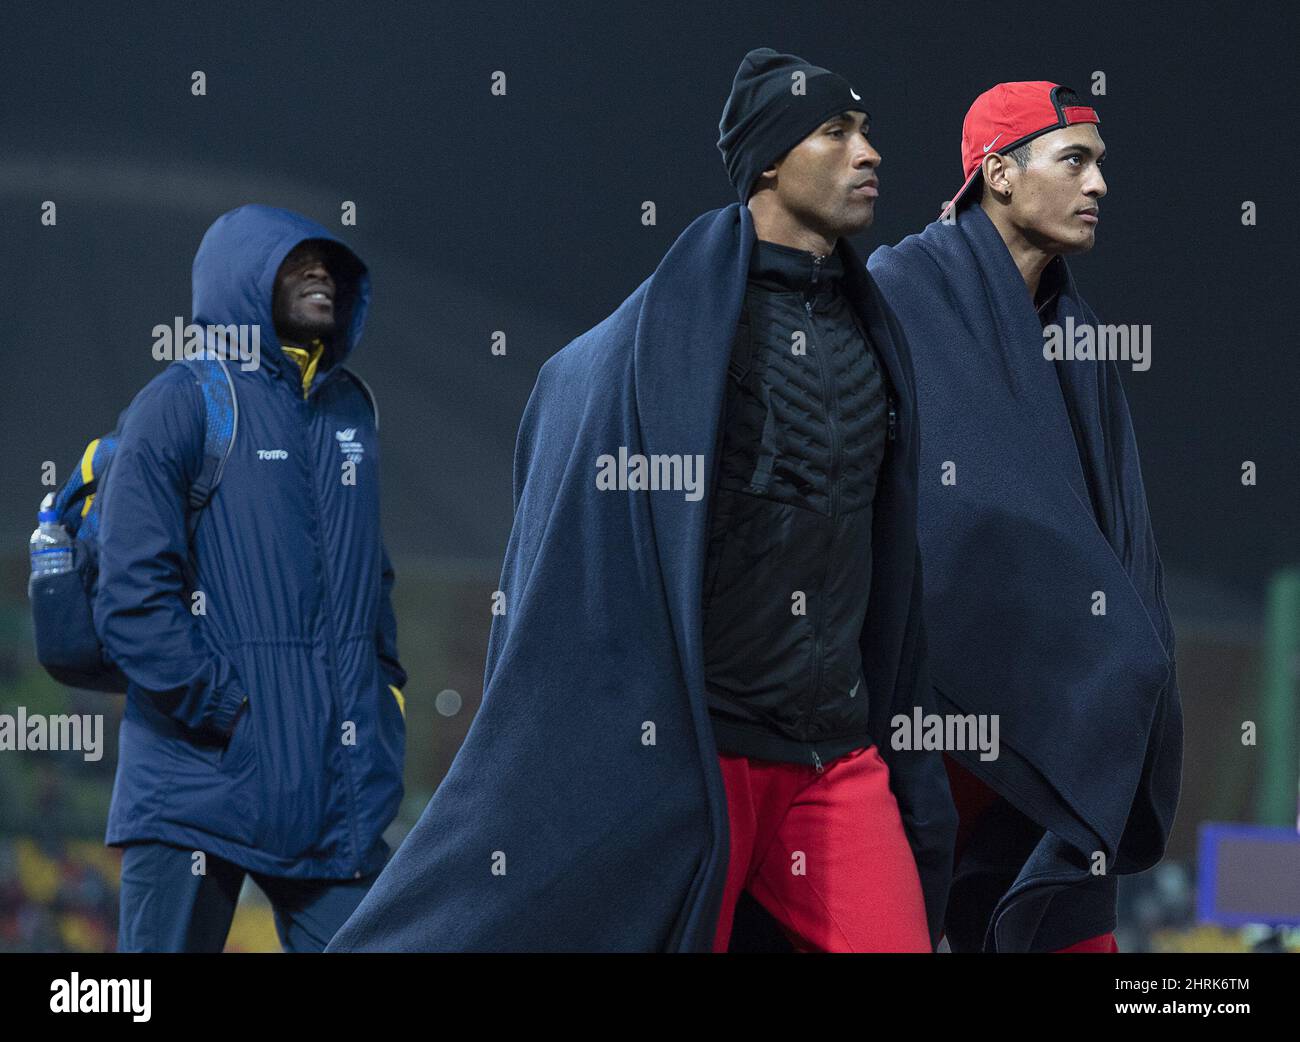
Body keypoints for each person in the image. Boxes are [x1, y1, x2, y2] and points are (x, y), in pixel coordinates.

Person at [328, 48, 955, 953]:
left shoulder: (873, 330)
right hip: (701, 762)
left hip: (832, 759)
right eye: (836, 132)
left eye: (865, 131)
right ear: (771, 161)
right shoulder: (653, 340)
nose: (869, 152)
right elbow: (570, 503)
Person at [867, 82, 1183, 952]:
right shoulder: (900, 288)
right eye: (1074, 159)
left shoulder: (1074, 335)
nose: (1099, 185)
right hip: (926, 706)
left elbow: (1108, 527)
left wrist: (1129, 649)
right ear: (999, 174)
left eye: (1100, 163)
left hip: (1046, 706)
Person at [96, 205, 408, 952]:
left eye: (329, 264)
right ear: (242, 282)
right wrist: (234, 713)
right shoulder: (181, 402)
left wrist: (384, 700)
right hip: (197, 788)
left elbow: (372, 581)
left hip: (333, 798)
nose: (320, 274)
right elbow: (131, 599)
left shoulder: (351, 411)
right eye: (296, 262)